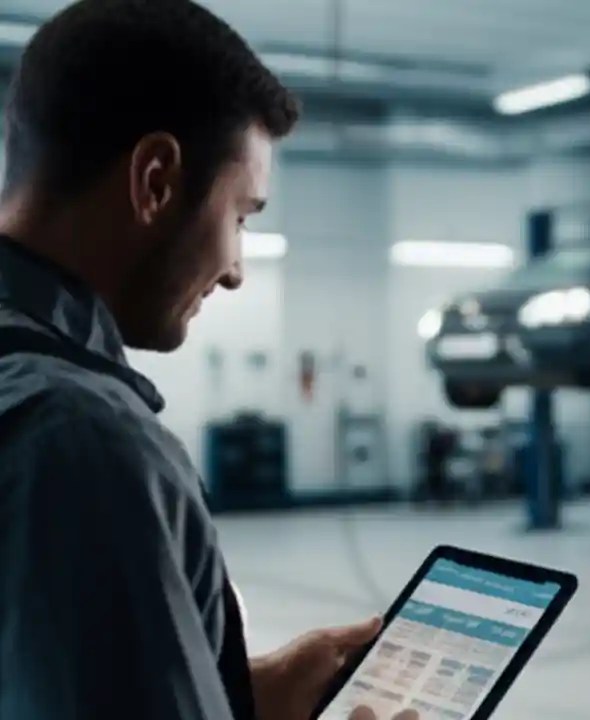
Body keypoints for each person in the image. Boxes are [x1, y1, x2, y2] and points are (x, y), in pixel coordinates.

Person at [0, 1, 383, 718]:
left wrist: (233, 693)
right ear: (154, 181)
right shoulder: (85, 442)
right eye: (240, 215)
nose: (235, 269)